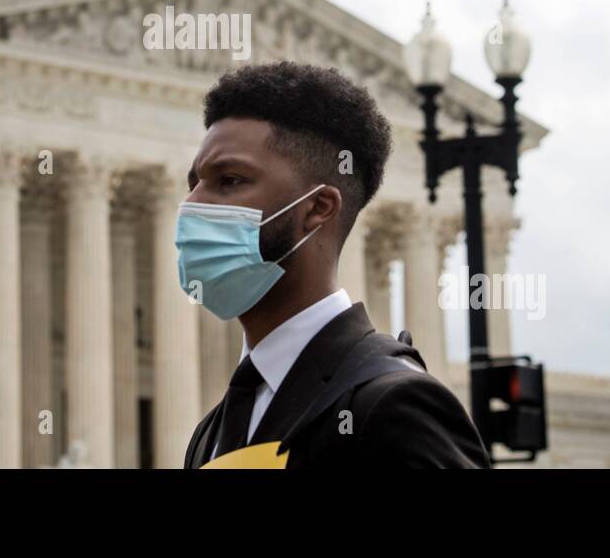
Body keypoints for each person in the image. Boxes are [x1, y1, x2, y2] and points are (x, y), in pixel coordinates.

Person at [178, 61, 490, 469]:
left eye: (230, 180)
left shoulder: (393, 405)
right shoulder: (211, 433)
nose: (192, 203)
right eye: (194, 182)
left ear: (317, 208)